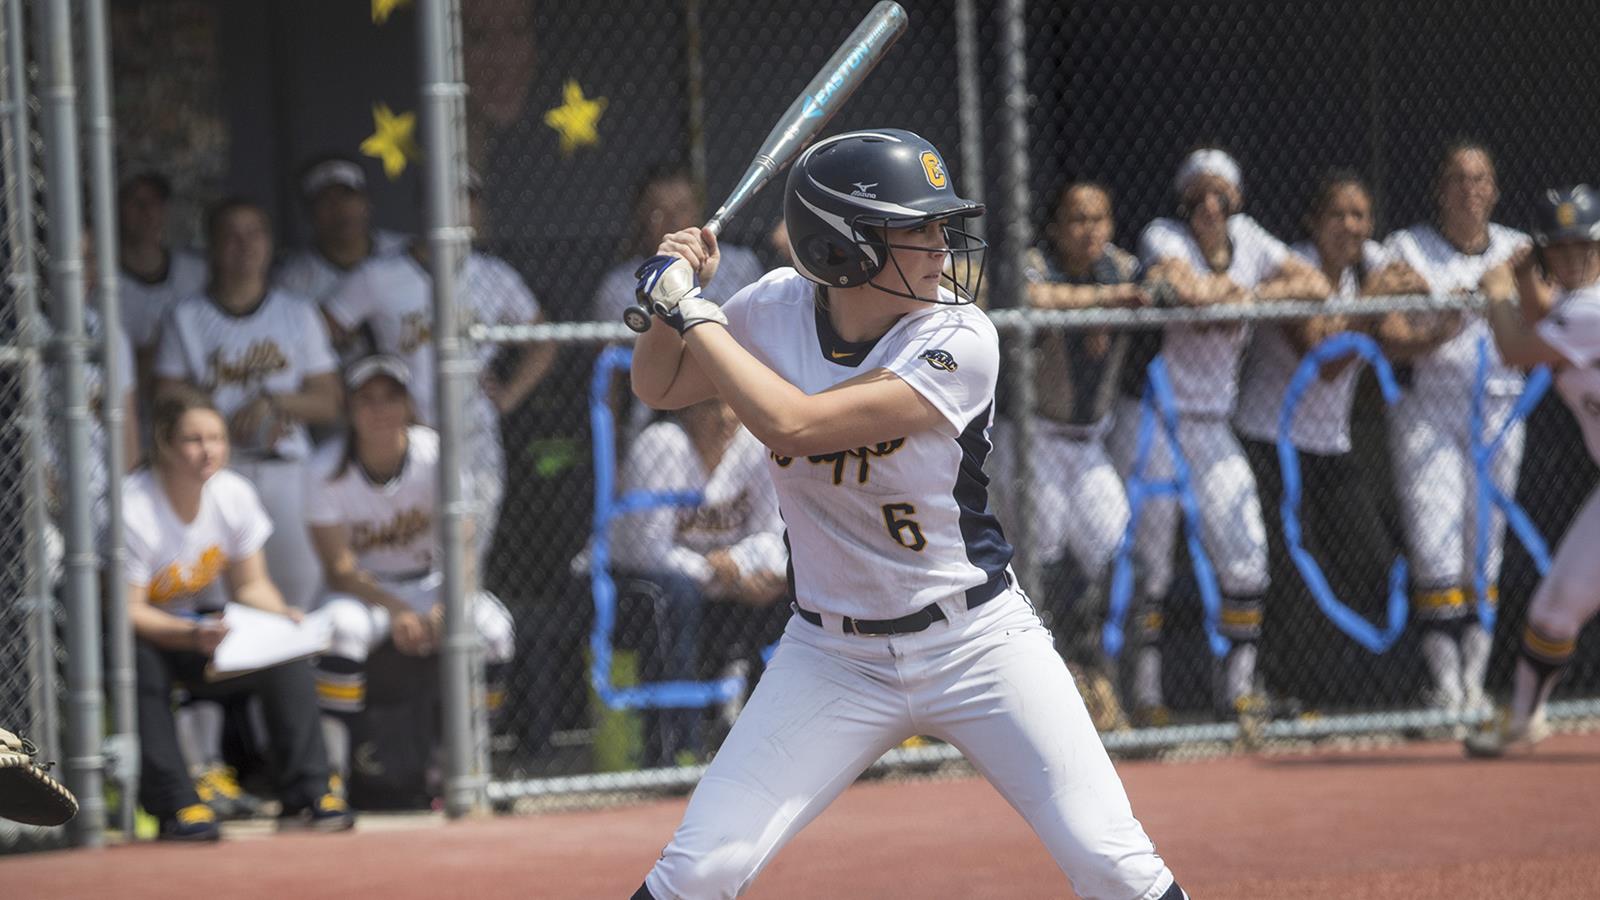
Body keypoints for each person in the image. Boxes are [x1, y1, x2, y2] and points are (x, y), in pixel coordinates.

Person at [626, 128, 1185, 900]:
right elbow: (658, 386)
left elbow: (795, 424)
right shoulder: (773, 309)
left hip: (975, 642)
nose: (941, 247)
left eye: (939, 226)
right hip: (830, 656)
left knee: (1111, 861)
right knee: (698, 869)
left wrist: (692, 309)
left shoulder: (960, 336)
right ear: (843, 247)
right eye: (917, 229)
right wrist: (669, 307)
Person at [1106, 147, 1332, 731]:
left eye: (1220, 193)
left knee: (1247, 555)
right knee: (1151, 563)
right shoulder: (1165, 235)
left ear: (1236, 199)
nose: (1209, 204)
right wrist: (1230, 296)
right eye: (1199, 193)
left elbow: (1313, 284)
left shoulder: (1250, 238)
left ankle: (1237, 693)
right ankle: (1145, 696)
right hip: (1153, 417)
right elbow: (1186, 291)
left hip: (1213, 423)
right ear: (1184, 199)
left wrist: (1244, 298)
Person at [1232, 171, 1428, 707]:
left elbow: (1399, 327)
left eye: (1359, 215)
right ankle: (1288, 690)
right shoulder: (1294, 267)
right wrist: (1371, 300)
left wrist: (1441, 314)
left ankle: (1378, 692)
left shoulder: (1370, 265)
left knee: (1371, 560)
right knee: (1291, 575)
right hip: (1272, 442)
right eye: (1337, 215)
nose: (1349, 226)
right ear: (1313, 222)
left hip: (1332, 445)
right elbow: (1324, 360)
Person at [124, 389, 352, 840]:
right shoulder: (134, 507)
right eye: (193, 440)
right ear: (165, 444)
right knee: (139, 663)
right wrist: (191, 636)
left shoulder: (233, 493)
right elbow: (127, 611)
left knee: (285, 649)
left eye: (216, 438)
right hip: (145, 634)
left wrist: (283, 615)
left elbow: (250, 585)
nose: (208, 450)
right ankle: (176, 805)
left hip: (202, 628)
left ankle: (307, 794)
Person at [303, 355, 515, 785]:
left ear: (408, 406)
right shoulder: (324, 468)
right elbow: (339, 569)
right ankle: (334, 771)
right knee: (340, 629)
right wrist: (396, 609)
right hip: (365, 593)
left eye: (391, 398)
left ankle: (462, 761)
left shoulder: (434, 453)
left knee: (495, 629)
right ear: (350, 408)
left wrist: (447, 603)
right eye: (367, 399)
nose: (380, 410)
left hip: (432, 583)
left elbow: (464, 545)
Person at [322, 185, 555, 566]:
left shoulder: (493, 276)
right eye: (451, 200)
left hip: (475, 432)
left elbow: (544, 340)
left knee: (471, 551)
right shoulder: (380, 275)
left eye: (469, 202)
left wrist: (509, 395)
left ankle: (461, 604)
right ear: (425, 209)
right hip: (405, 436)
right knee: (407, 547)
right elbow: (318, 338)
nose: (460, 212)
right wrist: (361, 397)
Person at [1380, 141, 1530, 725]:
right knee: (1435, 543)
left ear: (1495, 190)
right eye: (1458, 179)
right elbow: (1390, 336)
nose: (1470, 189)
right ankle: (1445, 688)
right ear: (1440, 190)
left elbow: (1546, 324)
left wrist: (1501, 294)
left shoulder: (1519, 249)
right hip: (1429, 411)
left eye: (1480, 178)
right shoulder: (1409, 247)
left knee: (1483, 549)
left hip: (1499, 411)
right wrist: (1443, 325)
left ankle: (1474, 684)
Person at [992, 180, 1147, 731]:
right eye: (1077, 220)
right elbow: (1028, 297)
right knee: (1044, 561)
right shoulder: (1036, 264)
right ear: (1056, 227)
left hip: (1089, 445)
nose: (1089, 231)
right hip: (1032, 437)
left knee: (1117, 550)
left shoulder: (1121, 268)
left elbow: (1159, 287)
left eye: (1099, 219)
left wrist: (1136, 293)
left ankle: (1104, 682)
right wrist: (1103, 304)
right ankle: (1047, 695)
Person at [153, 198, 344, 612]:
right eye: (232, 235)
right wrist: (220, 420)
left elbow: (329, 402)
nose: (245, 245)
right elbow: (166, 401)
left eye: (255, 233)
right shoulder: (185, 317)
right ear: (213, 245)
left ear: (270, 243)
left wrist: (275, 403)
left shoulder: (298, 313)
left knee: (299, 594)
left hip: (286, 470)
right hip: (215, 474)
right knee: (218, 601)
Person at [1465, 185, 1600, 756]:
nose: (1572, 259)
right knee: (1553, 610)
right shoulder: (1577, 307)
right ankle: (1524, 719)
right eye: (1559, 248)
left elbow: (1516, 347)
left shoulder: (1592, 308)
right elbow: (1548, 323)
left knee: (1555, 608)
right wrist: (1523, 279)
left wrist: (1499, 290)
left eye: (1582, 246)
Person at [610, 398, 786, 766]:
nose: (725, 418)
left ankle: (768, 744)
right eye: (711, 407)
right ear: (685, 409)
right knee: (676, 594)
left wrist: (738, 564)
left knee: (785, 592)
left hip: (725, 580)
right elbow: (647, 551)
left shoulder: (754, 443)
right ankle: (674, 752)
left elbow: (773, 534)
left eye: (730, 405)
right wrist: (716, 572)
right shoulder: (663, 444)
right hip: (633, 582)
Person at [590, 164, 767, 325]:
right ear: (642, 218)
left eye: (682, 209)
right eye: (659, 211)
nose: (672, 220)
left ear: (698, 211)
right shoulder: (619, 284)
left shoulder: (739, 263)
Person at [274, 156, 408, 365]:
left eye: (348, 195)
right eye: (325, 200)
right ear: (309, 213)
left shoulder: (404, 253)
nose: (339, 208)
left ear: (367, 201)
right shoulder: (291, 281)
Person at [116, 171, 208, 430]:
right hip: (130, 415)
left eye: (155, 202)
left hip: (190, 410)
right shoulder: (103, 281)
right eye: (136, 203)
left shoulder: (198, 272)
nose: (147, 212)